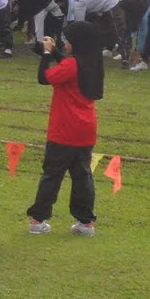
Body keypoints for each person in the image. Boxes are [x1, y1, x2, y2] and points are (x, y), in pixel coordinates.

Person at [27, 20, 104, 236]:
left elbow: (44, 78)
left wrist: (46, 54)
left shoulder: (71, 66)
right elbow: (68, 66)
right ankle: (85, 222)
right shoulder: (92, 63)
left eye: (68, 40)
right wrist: (55, 52)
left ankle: (38, 219)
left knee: (52, 175)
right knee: (83, 177)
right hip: (86, 129)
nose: (66, 43)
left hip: (64, 129)